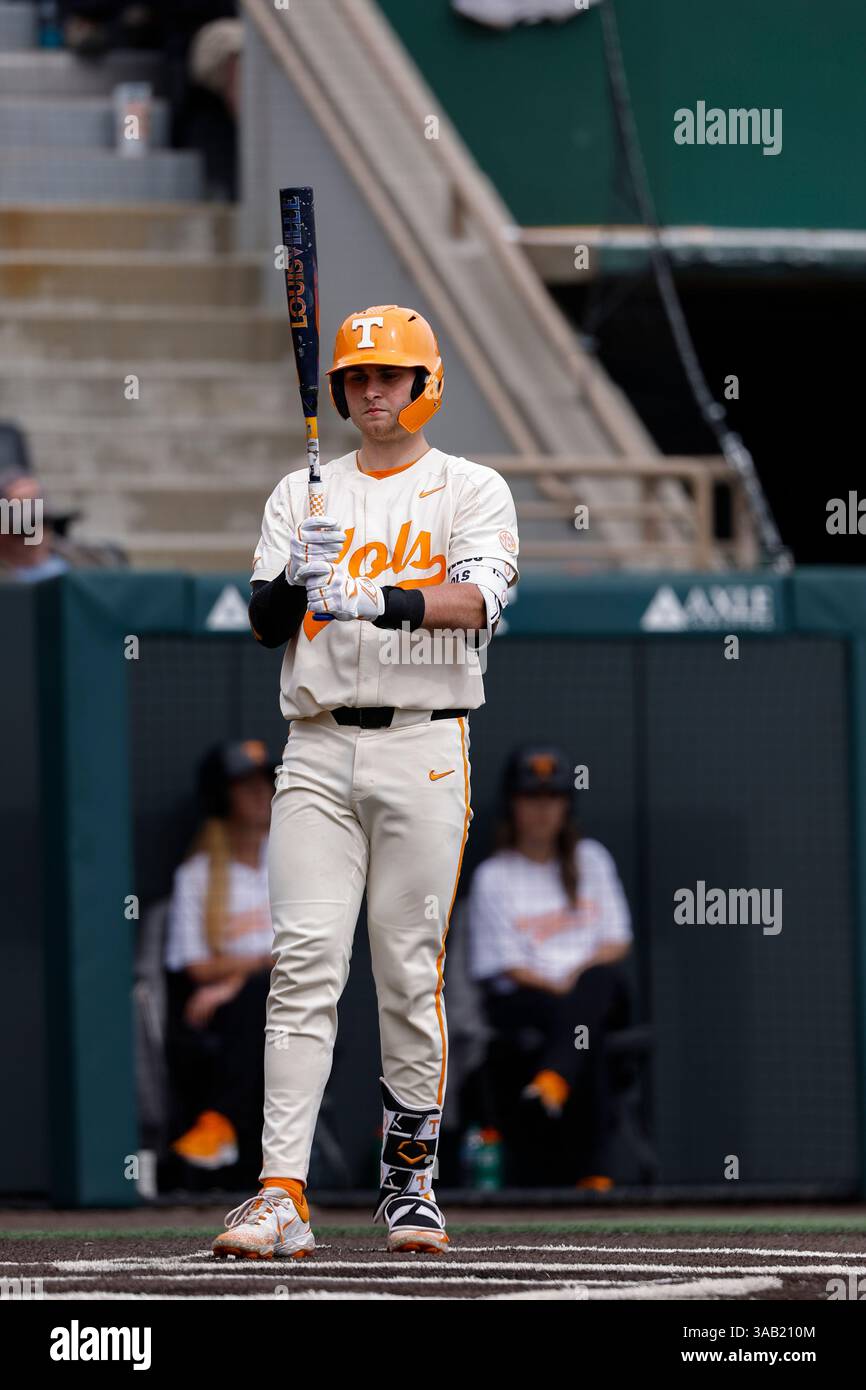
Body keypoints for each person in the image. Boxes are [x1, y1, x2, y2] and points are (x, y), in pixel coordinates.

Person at [212, 303, 519, 1259]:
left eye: (388, 375)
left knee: (403, 968)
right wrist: (301, 583)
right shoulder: (300, 494)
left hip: (424, 745)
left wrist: (373, 597)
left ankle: (410, 1183)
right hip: (313, 747)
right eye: (356, 377)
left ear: (425, 384)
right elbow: (264, 622)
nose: (370, 390)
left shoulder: (472, 488)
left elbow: (477, 602)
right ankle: (278, 1193)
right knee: (302, 964)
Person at [466, 745, 633, 1186]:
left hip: (589, 989)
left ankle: (554, 1077)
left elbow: (616, 942)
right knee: (583, 1029)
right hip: (529, 998)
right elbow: (503, 967)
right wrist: (561, 989)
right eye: (530, 799)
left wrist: (574, 982)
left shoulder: (591, 859)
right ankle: (596, 1173)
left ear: (566, 806)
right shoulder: (494, 876)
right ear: (512, 806)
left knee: (597, 987)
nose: (542, 810)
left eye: (552, 799)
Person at [164, 741, 276, 1180]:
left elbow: (305, 947)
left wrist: (234, 977)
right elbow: (195, 966)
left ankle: (219, 1120)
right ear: (220, 797)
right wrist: (241, 979)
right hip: (221, 1014)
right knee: (253, 1002)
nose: (260, 794)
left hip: (287, 998)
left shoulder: (293, 859)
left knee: (260, 994)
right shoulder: (196, 874)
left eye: (265, 783)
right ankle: (230, 1131)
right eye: (244, 786)